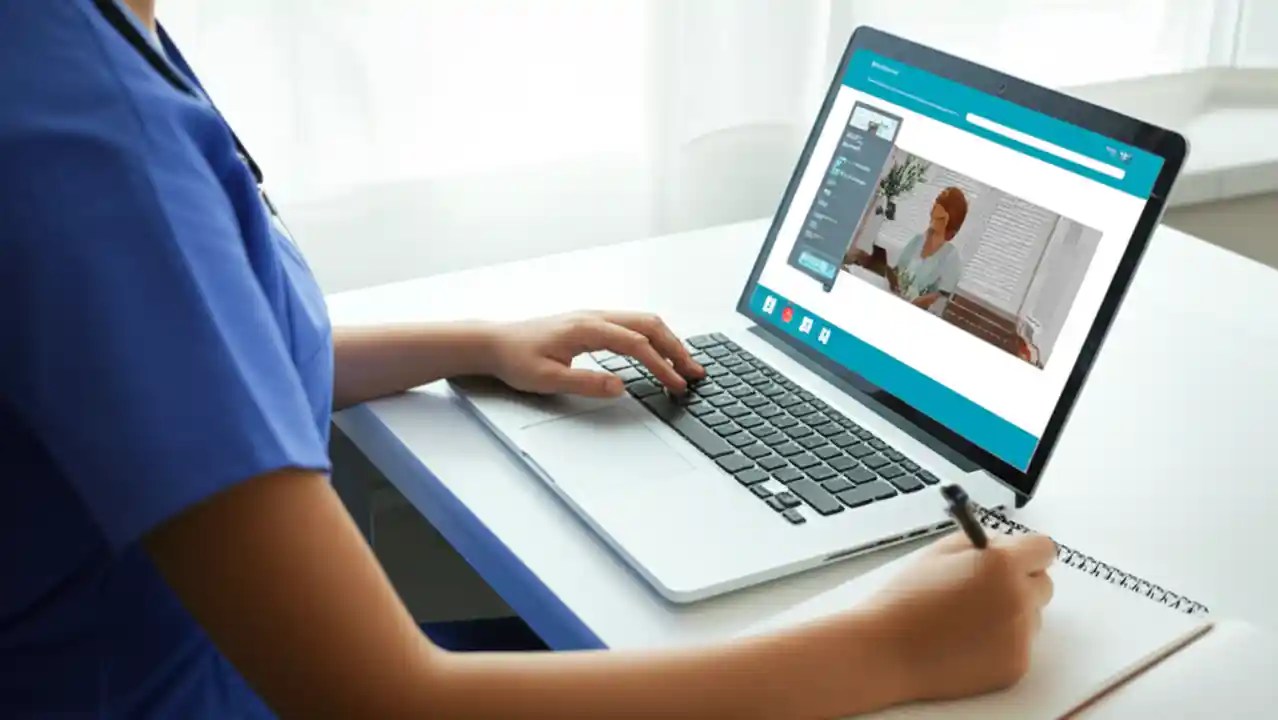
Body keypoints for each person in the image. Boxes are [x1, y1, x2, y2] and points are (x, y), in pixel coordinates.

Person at [0, 2, 1055, 717]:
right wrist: (896, 648)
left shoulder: (84, 36)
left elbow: (159, 368)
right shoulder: (95, 139)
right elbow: (379, 700)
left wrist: (475, 343)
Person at [887, 186, 969, 315]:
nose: (933, 213)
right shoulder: (917, 240)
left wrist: (914, 304)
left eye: (940, 218)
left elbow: (939, 300)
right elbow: (897, 270)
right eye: (935, 207)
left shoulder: (951, 258)